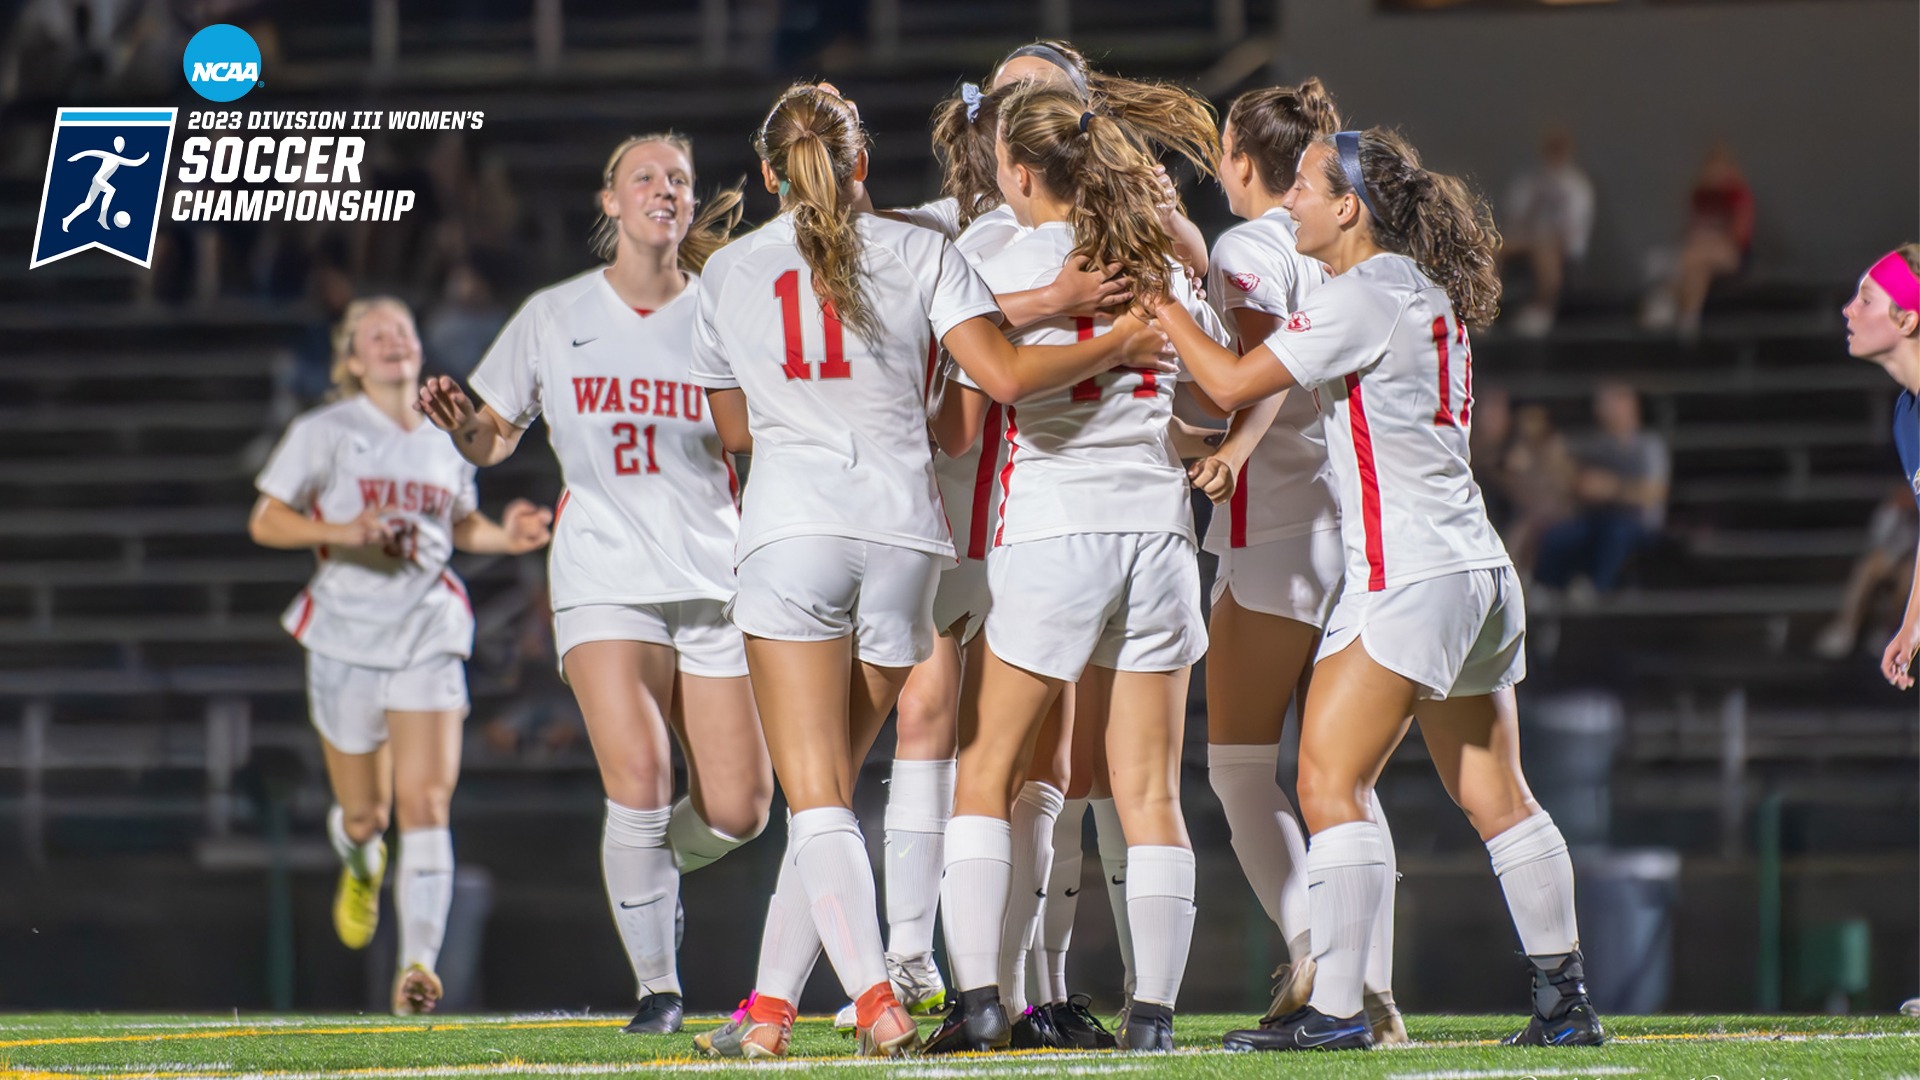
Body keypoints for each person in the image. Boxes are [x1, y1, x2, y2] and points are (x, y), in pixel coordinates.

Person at [686, 83, 1172, 1060]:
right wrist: (1118, 338)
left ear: (772, 171)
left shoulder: (728, 272)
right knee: (830, 785)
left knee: (816, 796)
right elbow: (993, 386)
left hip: (795, 535)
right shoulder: (923, 251)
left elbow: (733, 434)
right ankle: (770, 1012)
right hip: (908, 539)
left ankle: (878, 992)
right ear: (863, 163)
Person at [1152, 126, 1605, 1051]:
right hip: (1473, 569)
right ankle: (1565, 1004)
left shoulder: (1365, 294)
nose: (1290, 205)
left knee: (1325, 781)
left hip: (1411, 576)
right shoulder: (1414, 288)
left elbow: (1233, 378)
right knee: (1499, 796)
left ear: (1350, 206)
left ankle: (1339, 1011)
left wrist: (1159, 310)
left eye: (1308, 191)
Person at [414, 133, 772, 1035]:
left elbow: (757, 441)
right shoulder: (555, 313)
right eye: (644, 176)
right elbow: (495, 435)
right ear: (610, 202)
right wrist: (464, 427)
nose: (665, 189)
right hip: (601, 575)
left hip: (713, 575)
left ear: (691, 207)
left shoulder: (721, 312)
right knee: (642, 780)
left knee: (741, 809)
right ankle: (659, 988)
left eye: (679, 179)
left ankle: (643, 869)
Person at [923, 80, 1227, 1055]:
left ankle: (976, 1005)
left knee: (986, 774)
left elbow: (970, 376)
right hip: (1160, 532)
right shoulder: (1154, 250)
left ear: (1014, 168)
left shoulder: (988, 251)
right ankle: (1153, 1020)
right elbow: (1212, 401)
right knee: (1149, 795)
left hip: (1054, 529)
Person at [248, 296, 552, 1016]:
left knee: (427, 803)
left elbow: (461, 524)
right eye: (374, 334)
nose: (392, 341)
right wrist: (347, 528)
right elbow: (266, 520)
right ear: (352, 359)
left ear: (419, 350)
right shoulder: (325, 430)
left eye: (403, 330)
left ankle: (417, 965)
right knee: (365, 816)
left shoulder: (449, 435)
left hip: (428, 626)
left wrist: (502, 537)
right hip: (346, 633)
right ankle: (360, 863)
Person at [1184, 77, 1406, 1047]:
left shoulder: (1247, 246)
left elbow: (1261, 371)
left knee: (1238, 767)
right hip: (1352, 525)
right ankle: (1374, 983)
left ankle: (1322, 956)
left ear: (1243, 162)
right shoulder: (1344, 242)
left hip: (1276, 526)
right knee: (1344, 783)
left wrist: (1213, 436)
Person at [1848, 244, 1920, 1019]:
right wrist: (1909, 626)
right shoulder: (1908, 413)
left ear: (1906, 317)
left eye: (1865, 299)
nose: (1849, 310)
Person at [1533, 383, 1668, 595]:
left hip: (1636, 525)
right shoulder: (1594, 445)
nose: (1603, 407)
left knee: (1615, 534)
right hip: (1594, 519)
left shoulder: (1648, 446)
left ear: (1630, 404)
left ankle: (1597, 592)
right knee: (1557, 536)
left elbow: (1653, 493)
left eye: (1611, 400)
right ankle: (1546, 590)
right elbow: (1573, 481)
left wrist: (1611, 489)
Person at [1644, 141, 1754, 338]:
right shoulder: (1701, 195)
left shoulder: (1739, 195)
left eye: (1719, 167)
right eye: (1710, 166)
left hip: (1732, 255)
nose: (1714, 172)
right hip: (1701, 254)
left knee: (1694, 256)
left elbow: (1739, 237)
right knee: (1697, 271)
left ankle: (1666, 295)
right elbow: (1691, 231)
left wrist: (1711, 238)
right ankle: (1689, 319)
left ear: (1729, 169)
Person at [1500, 129, 1594, 337]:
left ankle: (1542, 309)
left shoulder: (1577, 187)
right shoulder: (1530, 183)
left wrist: (1543, 238)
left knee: (1545, 248)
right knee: (1493, 246)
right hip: (1527, 241)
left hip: (1561, 247)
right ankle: (1483, 302)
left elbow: (1573, 231)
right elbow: (1515, 219)